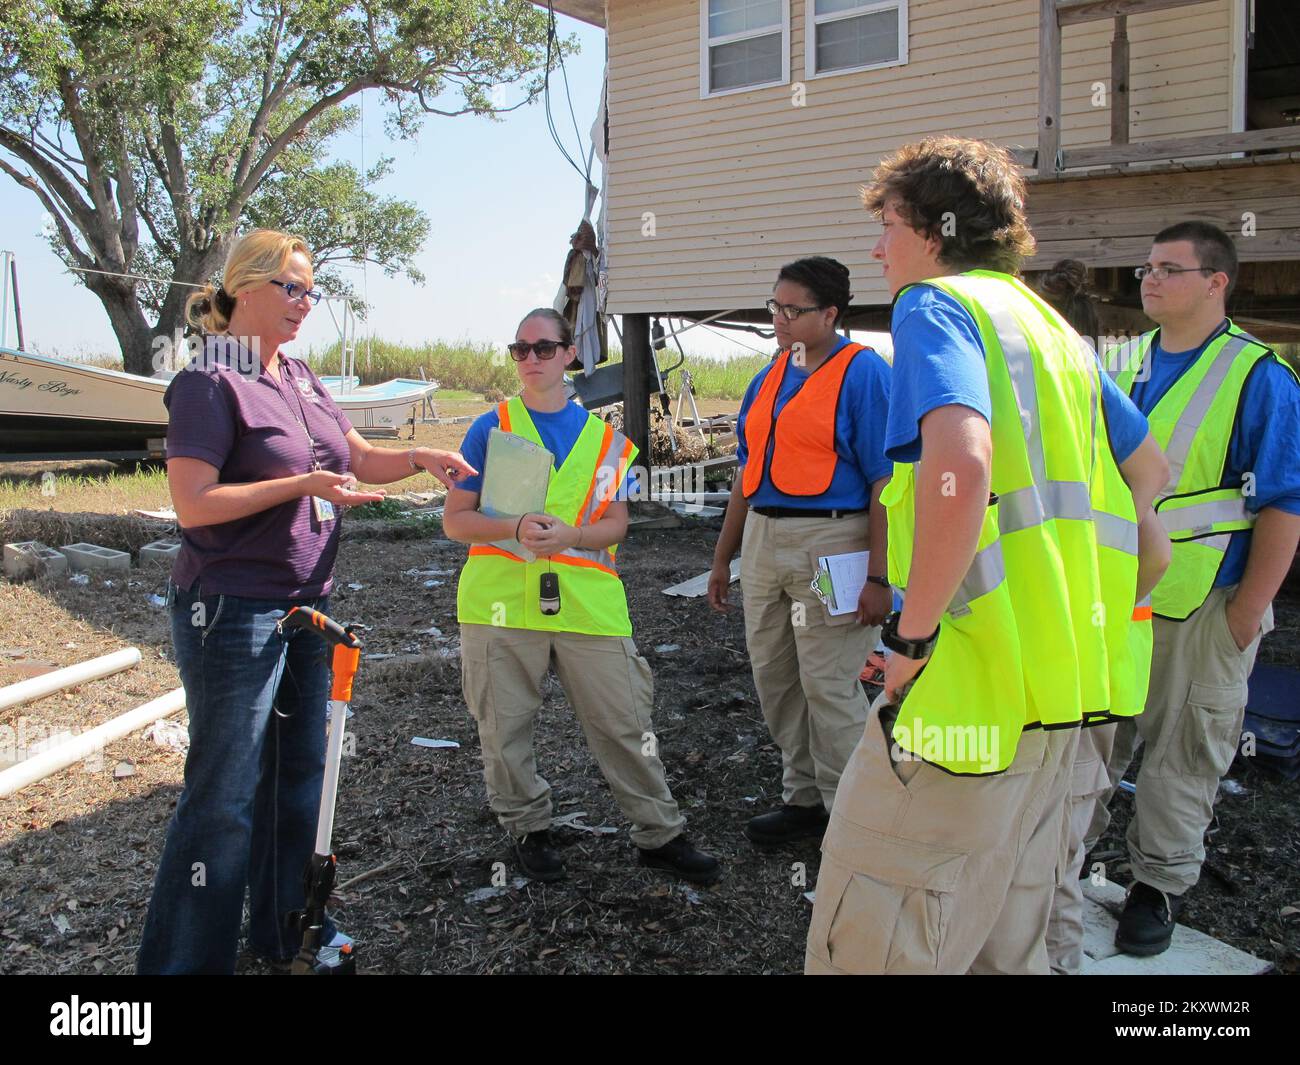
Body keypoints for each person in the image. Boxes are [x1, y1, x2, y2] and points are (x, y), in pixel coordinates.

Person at [805, 137, 1167, 975]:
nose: (876, 247)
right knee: (1006, 940)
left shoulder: (938, 307)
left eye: (887, 225)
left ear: (934, 230)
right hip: (1058, 705)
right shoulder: (1056, 333)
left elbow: (960, 468)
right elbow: (1148, 480)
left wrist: (910, 641)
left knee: (879, 936)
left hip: (961, 701)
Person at [137, 229, 474, 975]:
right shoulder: (209, 379)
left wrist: (420, 458)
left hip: (306, 607)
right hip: (232, 609)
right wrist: (301, 486)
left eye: (311, 292)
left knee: (299, 780)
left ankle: (289, 930)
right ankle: (184, 966)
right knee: (224, 796)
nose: (305, 305)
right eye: (291, 288)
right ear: (244, 288)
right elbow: (194, 506)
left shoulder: (298, 373)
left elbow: (353, 455)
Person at [443, 308, 721, 885]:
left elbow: (616, 525)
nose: (530, 360)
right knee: (504, 727)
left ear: (571, 354)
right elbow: (455, 522)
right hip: (499, 603)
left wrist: (570, 536)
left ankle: (659, 833)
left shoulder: (608, 443)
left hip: (589, 603)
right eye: (519, 349)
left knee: (624, 719)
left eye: (543, 348)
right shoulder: (489, 428)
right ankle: (528, 830)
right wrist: (512, 528)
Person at [1092, 221, 1300, 957]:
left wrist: (1245, 615)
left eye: (1170, 269)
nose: (1149, 279)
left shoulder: (1257, 376)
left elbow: (1284, 502)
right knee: (1091, 739)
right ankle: (1065, 856)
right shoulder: (1118, 364)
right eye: (1147, 266)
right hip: (1112, 597)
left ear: (1217, 282)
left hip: (1202, 606)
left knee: (1185, 753)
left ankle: (1156, 887)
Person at [707, 257, 892, 846]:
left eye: (794, 310)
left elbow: (887, 482)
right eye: (775, 307)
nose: (780, 320)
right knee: (777, 678)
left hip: (835, 539)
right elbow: (745, 471)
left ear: (831, 314)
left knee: (830, 685)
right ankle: (804, 799)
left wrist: (880, 577)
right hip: (764, 537)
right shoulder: (769, 376)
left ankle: (854, 820)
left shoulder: (864, 374)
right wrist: (722, 557)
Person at [1035, 261, 1172, 975]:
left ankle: (1052, 961)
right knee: (1053, 843)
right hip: (1089, 672)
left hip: (1075, 677)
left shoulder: (1080, 416)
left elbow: (1151, 550)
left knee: (1048, 849)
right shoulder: (1101, 423)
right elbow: (1149, 549)